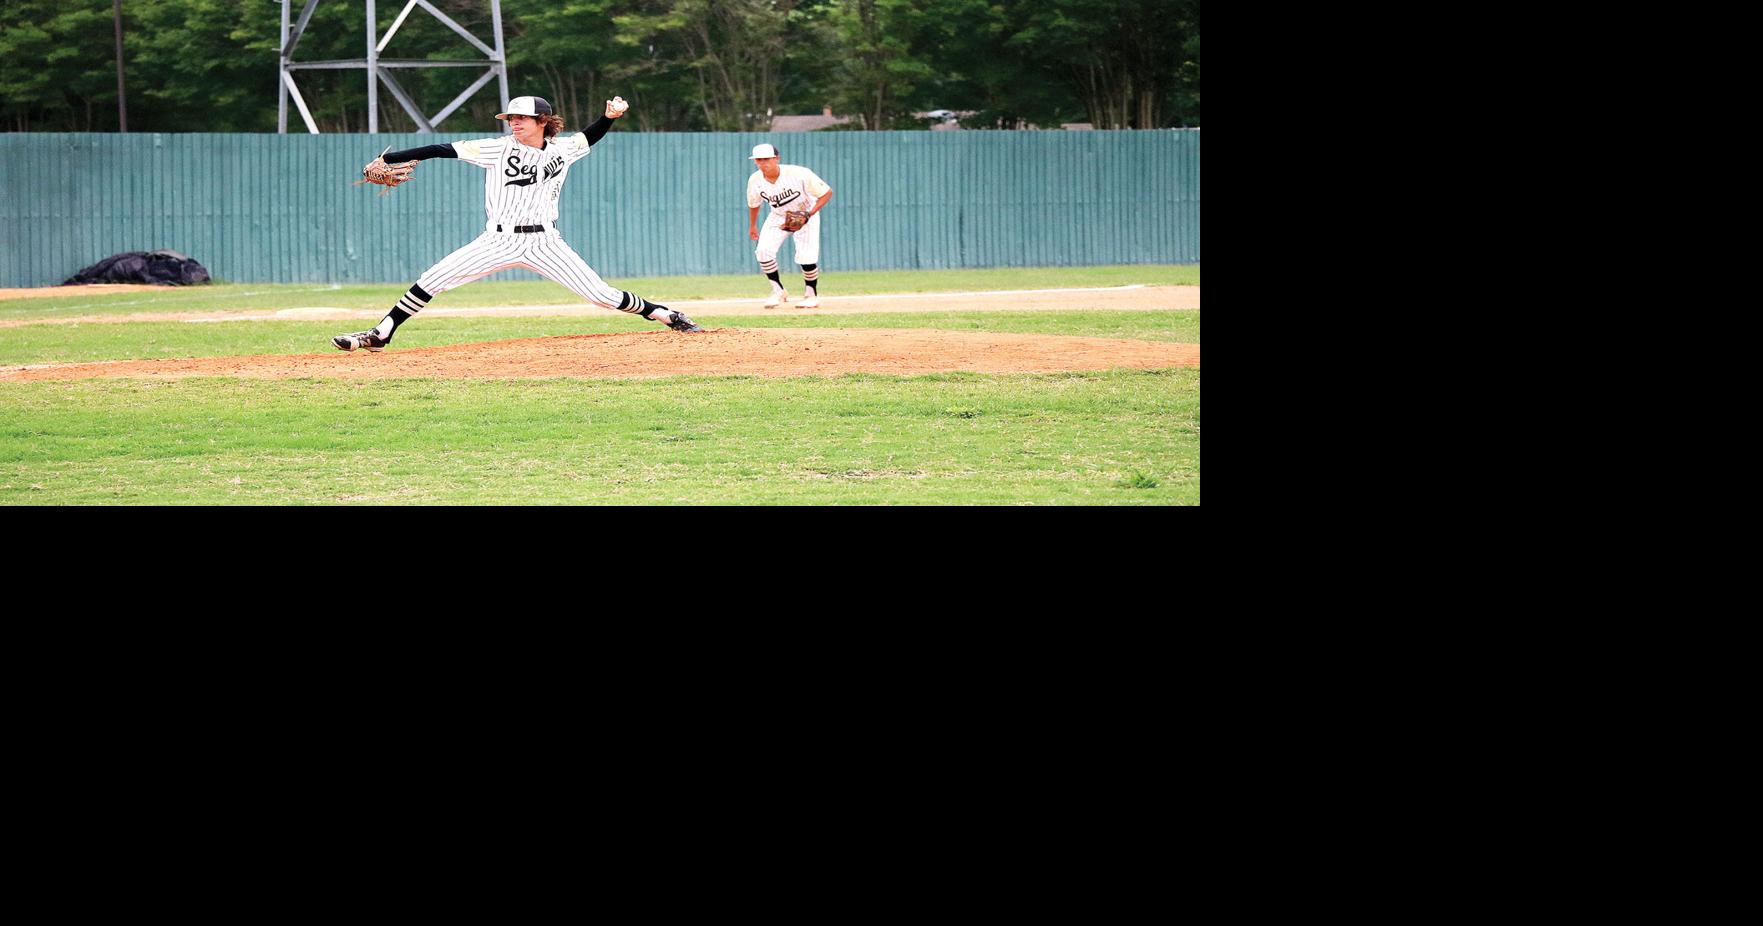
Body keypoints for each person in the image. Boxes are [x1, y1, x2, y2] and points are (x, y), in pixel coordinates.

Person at [333, 95, 701, 352]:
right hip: (497, 241)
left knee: (601, 295)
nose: (514, 124)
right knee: (432, 280)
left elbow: (588, 138)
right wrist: (392, 157)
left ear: (543, 122)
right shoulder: (498, 148)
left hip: (546, 243)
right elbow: (440, 149)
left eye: (520, 119)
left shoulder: (561, 150)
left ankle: (664, 314)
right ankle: (381, 333)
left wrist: (609, 118)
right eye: (511, 119)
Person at [745, 143, 833, 308]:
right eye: (759, 160)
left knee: (806, 255)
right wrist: (752, 226)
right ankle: (778, 291)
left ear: (776, 158)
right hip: (778, 216)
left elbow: (826, 192)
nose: (763, 163)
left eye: (767, 159)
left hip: (805, 212)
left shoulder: (799, 173)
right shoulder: (755, 180)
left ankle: (811, 294)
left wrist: (809, 214)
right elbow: (753, 203)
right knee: (763, 251)